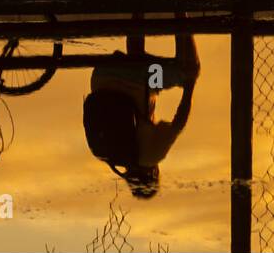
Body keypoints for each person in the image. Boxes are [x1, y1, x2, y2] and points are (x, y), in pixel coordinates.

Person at [82, 32, 200, 198]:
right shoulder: (109, 155)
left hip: (137, 77)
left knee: (188, 69)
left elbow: (179, 123)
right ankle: (139, 10)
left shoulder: (150, 157)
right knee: (140, 61)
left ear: (153, 175)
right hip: (102, 74)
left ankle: (181, 14)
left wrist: (190, 87)